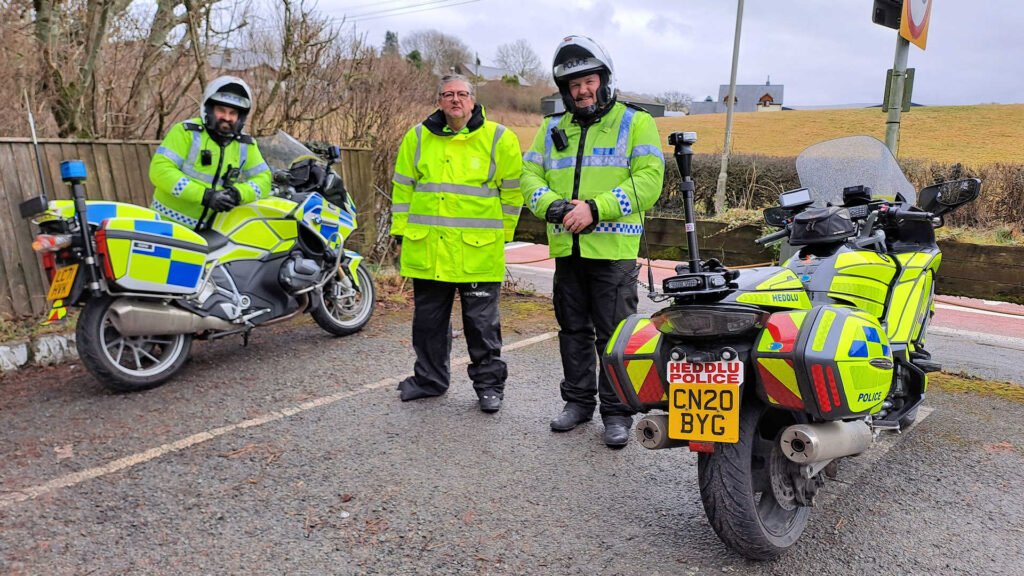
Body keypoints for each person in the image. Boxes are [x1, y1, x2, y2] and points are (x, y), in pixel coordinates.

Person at [521, 36, 664, 447]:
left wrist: (595, 209)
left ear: (604, 79)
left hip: (613, 253)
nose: (581, 91)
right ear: (564, 90)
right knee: (572, 331)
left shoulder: (635, 122)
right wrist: (550, 204)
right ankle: (578, 403)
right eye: (573, 85)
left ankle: (616, 412)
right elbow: (528, 177)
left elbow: (650, 180)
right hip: (568, 251)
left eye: (588, 81)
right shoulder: (551, 129)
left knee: (615, 337)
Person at [390, 74, 523, 413]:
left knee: (481, 327)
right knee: (428, 324)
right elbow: (403, 188)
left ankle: (489, 388)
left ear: (473, 100)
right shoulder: (417, 138)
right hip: (429, 250)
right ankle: (430, 380)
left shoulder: (498, 139)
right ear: (438, 101)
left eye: (462, 94)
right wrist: (401, 231)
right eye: (448, 94)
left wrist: (500, 236)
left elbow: (512, 194)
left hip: (477, 250)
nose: (455, 100)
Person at [150, 75, 271, 230]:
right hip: (166, 226)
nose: (227, 117)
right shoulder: (186, 132)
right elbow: (160, 171)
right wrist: (205, 196)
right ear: (209, 109)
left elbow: (264, 179)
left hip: (210, 233)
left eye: (233, 113)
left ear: (240, 117)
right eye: (221, 110)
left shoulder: (245, 144)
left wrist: (238, 194)